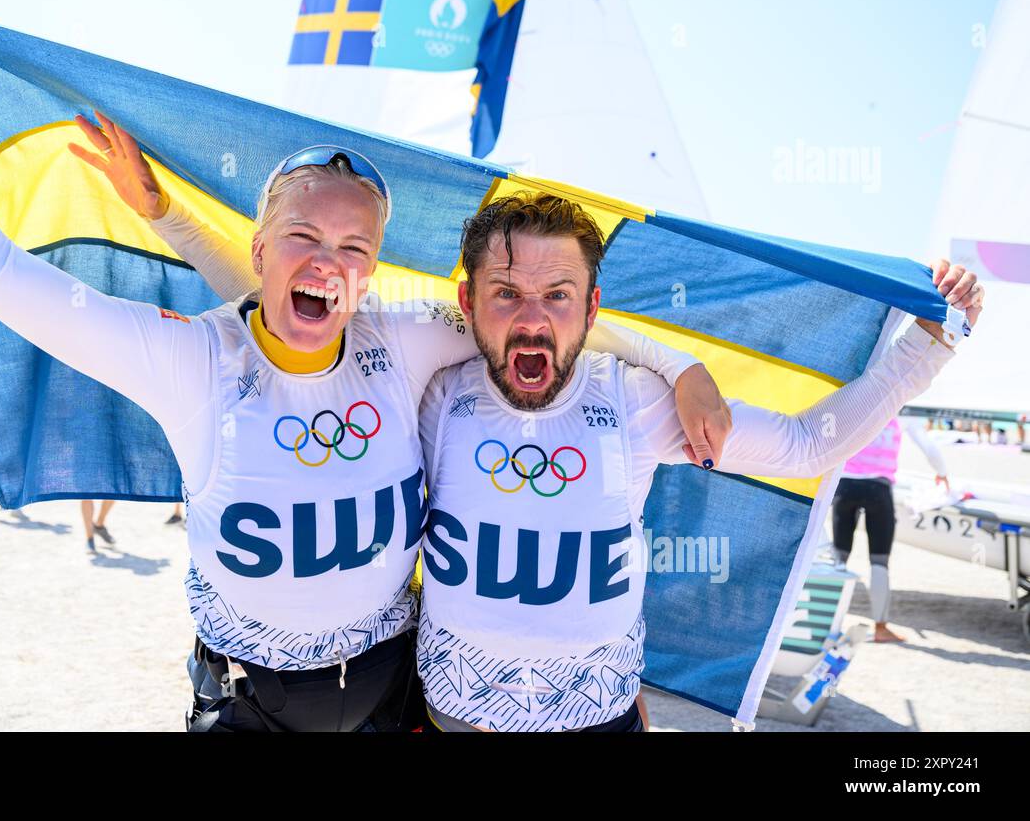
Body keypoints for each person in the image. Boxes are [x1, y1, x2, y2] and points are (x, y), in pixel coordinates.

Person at [0, 0, 730, 731]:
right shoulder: (190, 362)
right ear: (264, 252)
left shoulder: (400, 339)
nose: (329, 264)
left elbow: (537, 313)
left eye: (355, 250)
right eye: (304, 239)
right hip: (248, 704)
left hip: (395, 693)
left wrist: (681, 368)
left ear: (371, 276)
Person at [412, 194, 980, 731]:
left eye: (559, 294)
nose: (532, 320)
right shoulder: (431, 396)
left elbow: (810, 444)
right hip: (455, 714)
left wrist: (930, 343)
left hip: (597, 718)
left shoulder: (630, 399)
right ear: (468, 301)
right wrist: (674, 359)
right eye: (505, 293)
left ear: (591, 308)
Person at [832, 416, 949, 643]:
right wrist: (942, 472)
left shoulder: (859, 401)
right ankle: (881, 629)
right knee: (879, 562)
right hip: (878, 488)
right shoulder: (904, 411)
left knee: (838, 560)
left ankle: (828, 627)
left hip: (844, 485)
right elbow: (929, 447)